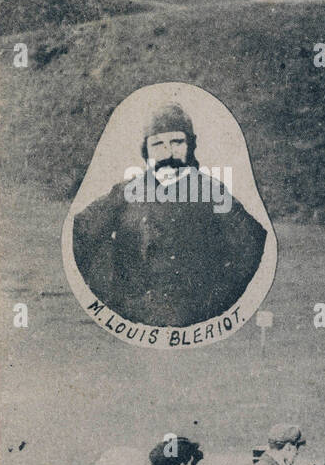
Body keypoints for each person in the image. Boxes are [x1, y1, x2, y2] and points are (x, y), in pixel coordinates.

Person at [70, 102, 268, 327]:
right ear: (146, 150)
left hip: (195, 316)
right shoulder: (125, 192)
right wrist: (110, 294)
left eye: (177, 142)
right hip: (134, 315)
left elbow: (251, 243)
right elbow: (80, 234)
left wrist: (217, 301)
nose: (168, 152)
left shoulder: (213, 192)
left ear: (190, 145)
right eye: (157, 144)